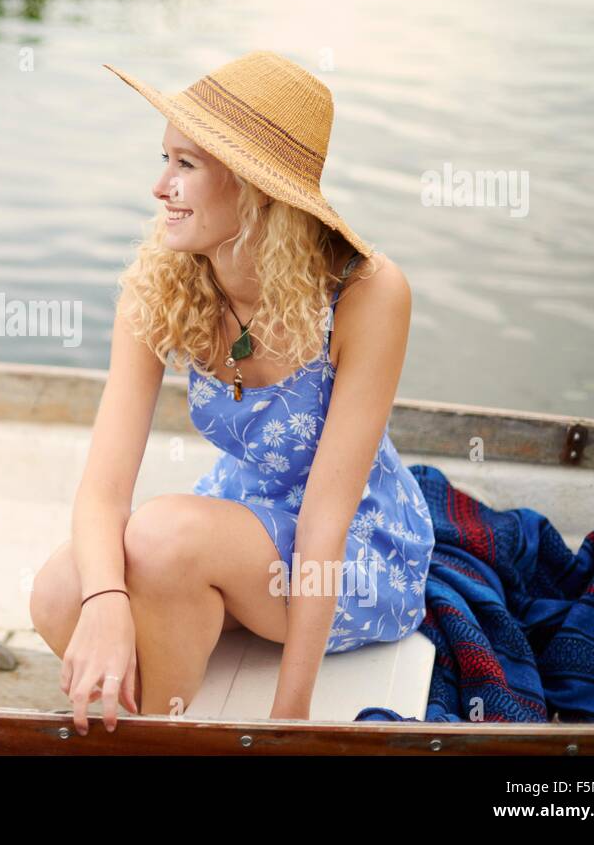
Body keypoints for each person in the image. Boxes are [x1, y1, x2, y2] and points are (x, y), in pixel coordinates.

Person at [28, 51, 435, 736]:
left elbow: (325, 519)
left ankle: (152, 727)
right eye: (165, 159)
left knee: (160, 532)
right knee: (59, 590)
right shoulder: (158, 283)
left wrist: (290, 714)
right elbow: (102, 490)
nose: (161, 187)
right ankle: (163, 723)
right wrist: (104, 601)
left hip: (353, 547)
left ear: (254, 187)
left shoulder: (367, 292)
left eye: (186, 165)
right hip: (237, 516)